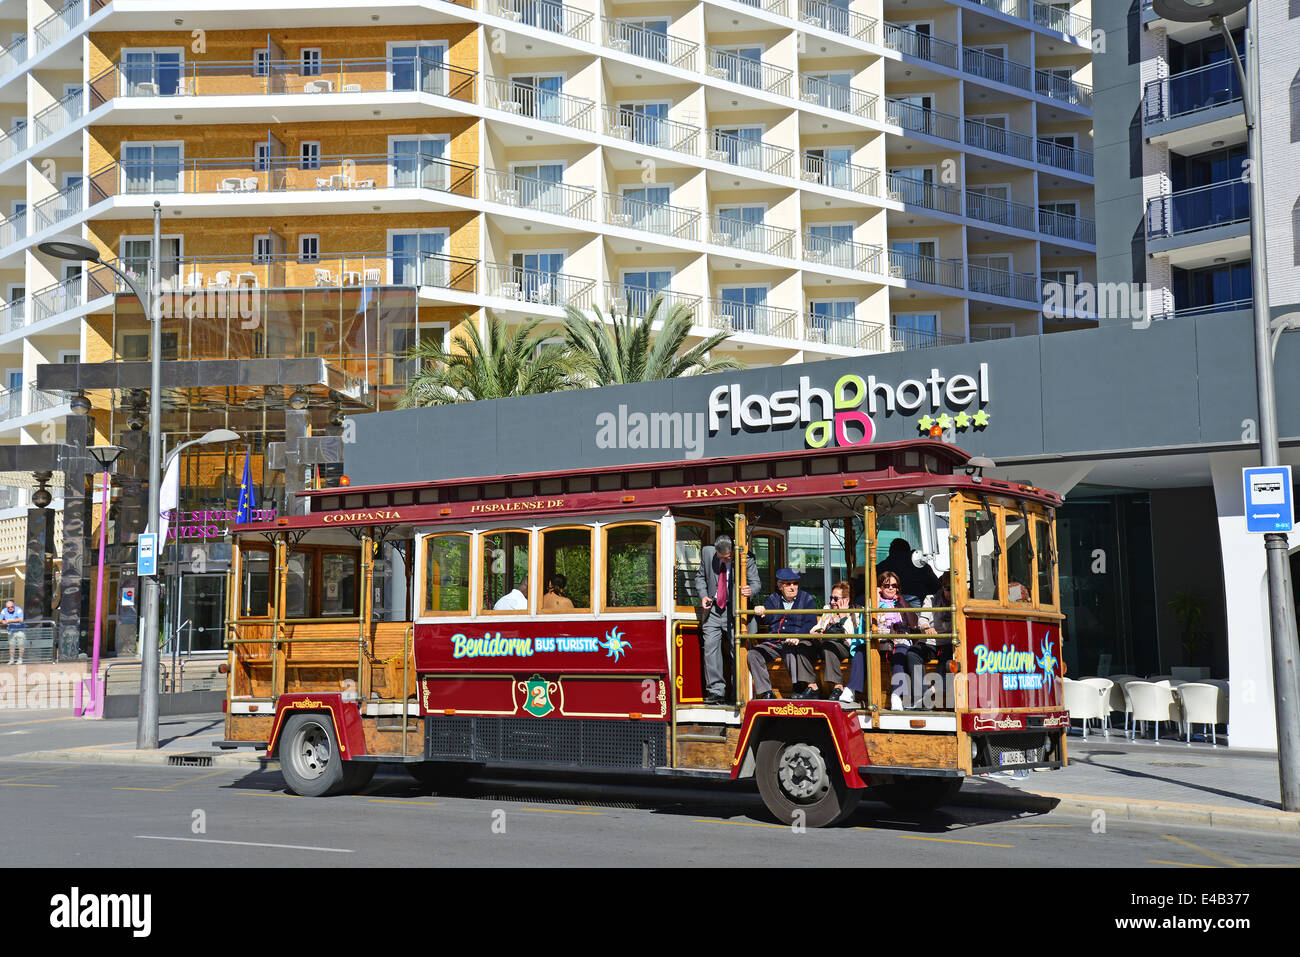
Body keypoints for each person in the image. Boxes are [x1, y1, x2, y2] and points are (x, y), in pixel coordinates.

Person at [695, 535, 758, 706]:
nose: (725, 560)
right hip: (714, 609)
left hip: (734, 610)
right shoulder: (707, 553)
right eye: (721, 557)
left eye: (728, 557)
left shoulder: (747, 557)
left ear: (733, 551)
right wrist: (703, 595)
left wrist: (748, 590)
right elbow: (700, 578)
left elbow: (756, 584)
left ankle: (738, 691)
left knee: (736, 650)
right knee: (710, 648)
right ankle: (716, 692)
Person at [845, 571, 918, 709]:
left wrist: (904, 603)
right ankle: (851, 690)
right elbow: (866, 620)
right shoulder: (873, 602)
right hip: (878, 640)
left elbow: (914, 624)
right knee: (861, 651)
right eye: (886, 585)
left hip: (898, 640)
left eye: (894, 586)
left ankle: (897, 695)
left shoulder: (902, 603)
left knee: (900, 654)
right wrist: (876, 598)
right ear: (881, 587)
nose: (891, 588)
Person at [749, 568, 820, 699]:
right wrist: (761, 612)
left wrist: (797, 636)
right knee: (753, 654)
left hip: (796, 641)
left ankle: (797, 687)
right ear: (780, 586)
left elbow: (810, 623)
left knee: (789, 645)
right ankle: (767, 692)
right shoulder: (772, 599)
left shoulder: (807, 599)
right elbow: (767, 619)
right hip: (774, 642)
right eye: (788, 584)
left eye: (795, 583)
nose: (793, 587)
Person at [810, 580, 859, 706]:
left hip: (843, 646)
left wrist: (843, 616)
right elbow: (817, 626)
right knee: (802, 645)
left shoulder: (856, 612)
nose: (832, 602)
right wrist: (818, 632)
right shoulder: (828, 609)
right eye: (831, 598)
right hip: (823, 644)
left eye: (836, 599)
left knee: (829, 646)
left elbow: (851, 636)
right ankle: (809, 686)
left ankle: (838, 687)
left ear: (846, 599)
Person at [912, 572, 955, 708]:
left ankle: (934, 690)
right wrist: (926, 628)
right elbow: (923, 619)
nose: (950, 592)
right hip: (931, 642)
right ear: (942, 587)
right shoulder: (931, 599)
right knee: (912, 654)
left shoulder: (961, 601)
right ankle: (922, 694)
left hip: (950, 643)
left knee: (949, 657)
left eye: (953, 588)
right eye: (947, 589)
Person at [875, 537, 940, 606]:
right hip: (919, 604)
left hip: (889, 604)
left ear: (890, 551)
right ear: (908, 550)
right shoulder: (921, 566)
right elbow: (936, 587)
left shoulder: (881, 566)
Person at [2, 599, 24, 665]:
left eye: (12, 606)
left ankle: (20, 659)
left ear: (14, 605)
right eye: (8, 607)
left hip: (20, 630)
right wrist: (2, 621)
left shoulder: (19, 609)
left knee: (21, 645)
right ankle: (11, 660)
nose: (10, 608)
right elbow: (0, 618)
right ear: (6, 607)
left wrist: (9, 621)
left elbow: (21, 619)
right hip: (11, 631)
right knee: (11, 646)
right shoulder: (4, 610)